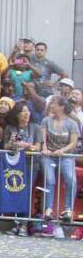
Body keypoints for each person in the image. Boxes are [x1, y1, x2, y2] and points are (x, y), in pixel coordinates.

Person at [39, 95, 79, 223]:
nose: (50, 106)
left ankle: (68, 210)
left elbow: (73, 142)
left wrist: (63, 150)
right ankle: (48, 209)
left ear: (61, 106)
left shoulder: (72, 123)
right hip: (49, 156)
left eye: (53, 104)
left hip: (65, 156)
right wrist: (44, 148)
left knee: (71, 179)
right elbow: (42, 138)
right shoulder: (46, 120)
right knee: (50, 179)